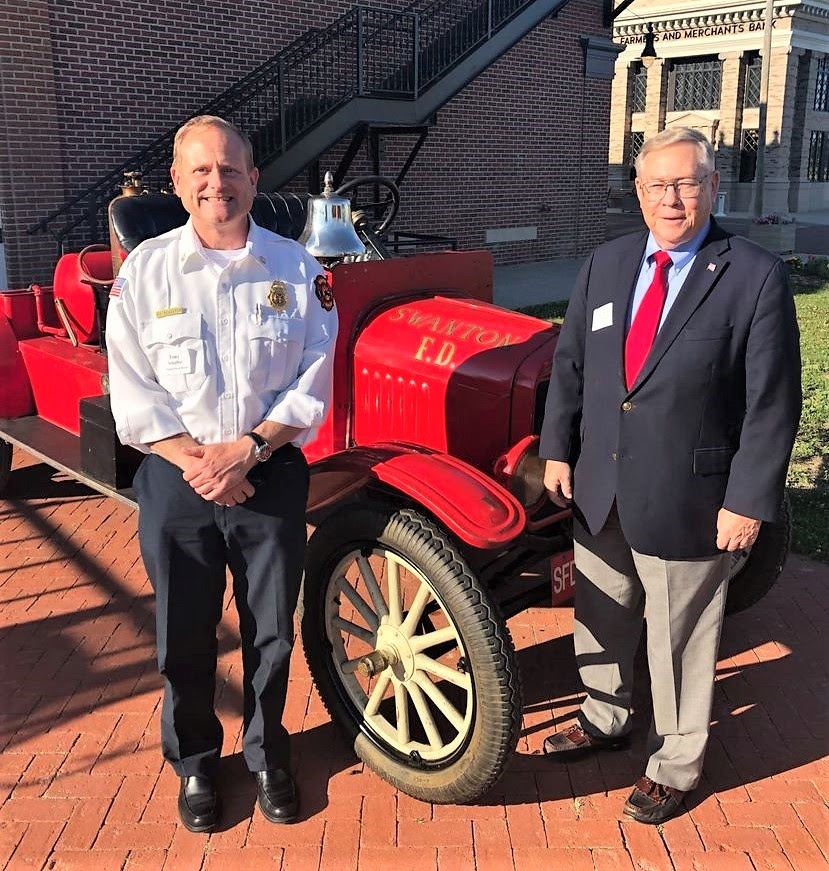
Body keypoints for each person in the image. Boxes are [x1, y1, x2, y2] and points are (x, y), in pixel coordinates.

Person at [539, 127, 801, 824]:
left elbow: (772, 401)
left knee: (681, 636)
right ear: (638, 192)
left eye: (686, 183)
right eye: (657, 185)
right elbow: (572, 364)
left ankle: (675, 762)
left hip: (692, 494)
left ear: (711, 186)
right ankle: (604, 714)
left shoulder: (751, 274)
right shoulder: (606, 262)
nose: (672, 199)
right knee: (602, 609)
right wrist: (557, 447)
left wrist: (747, 498)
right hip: (600, 484)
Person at [106, 115, 337, 833]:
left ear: (254, 178)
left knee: (272, 632)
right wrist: (206, 463)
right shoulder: (144, 273)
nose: (217, 183)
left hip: (268, 473)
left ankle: (268, 753)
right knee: (184, 631)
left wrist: (249, 451)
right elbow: (132, 390)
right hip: (178, 479)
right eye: (200, 171)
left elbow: (314, 379)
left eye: (230, 169)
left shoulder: (299, 271)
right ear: (176, 183)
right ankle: (197, 759)